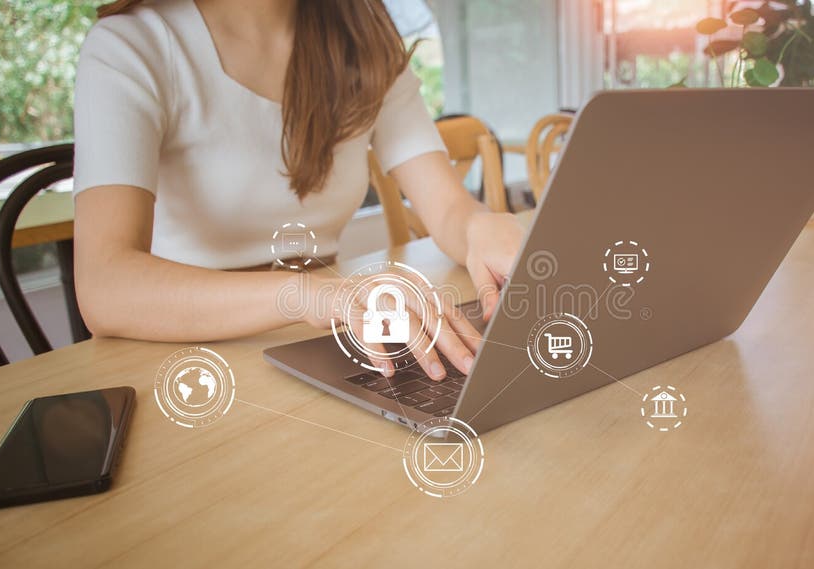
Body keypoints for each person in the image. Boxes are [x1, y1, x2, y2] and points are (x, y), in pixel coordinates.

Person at [72, 0, 522, 381]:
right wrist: (309, 295)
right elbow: (105, 286)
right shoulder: (134, 45)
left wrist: (480, 227)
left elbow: (446, 206)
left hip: (324, 339)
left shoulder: (363, 38)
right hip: (183, 357)